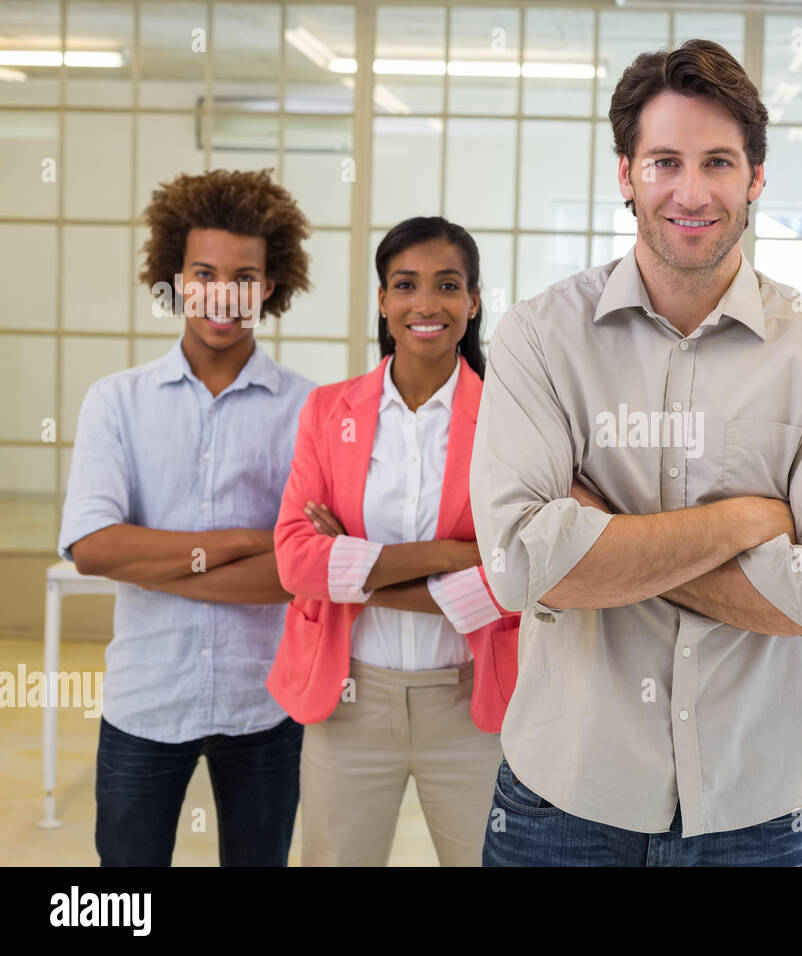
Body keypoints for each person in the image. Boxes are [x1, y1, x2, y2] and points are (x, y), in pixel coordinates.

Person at [470, 39, 802, 867]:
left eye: (718, 162)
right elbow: (520, 567)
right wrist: (744, 523)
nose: (691, 192)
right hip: (566, 799)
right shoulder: (539, 338)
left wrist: (606, 539)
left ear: (755, 178)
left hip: (761, 806)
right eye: (664, 161)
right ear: (625, 172)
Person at [58, 169, 315, 866]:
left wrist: (156, 562)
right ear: (175, 278)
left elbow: (301, 573)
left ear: (270, 286)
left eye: (245, 275)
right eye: (204, 271)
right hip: (146, 703)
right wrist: (241, 541)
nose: (223, 294)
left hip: (265, 707)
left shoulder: (308, 411)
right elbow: (93, 548)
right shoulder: (116, 402)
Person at [267, 216, 520, 867]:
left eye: (447, 285)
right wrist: (451, 556)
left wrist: (353, 564)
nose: (426, 304)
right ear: (383, 301)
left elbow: (518, 577)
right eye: (406, 285)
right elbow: (296, 559)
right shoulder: (329, 411)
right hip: (349, 697)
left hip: (472, 702)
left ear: (474, 300)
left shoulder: (509, 422)